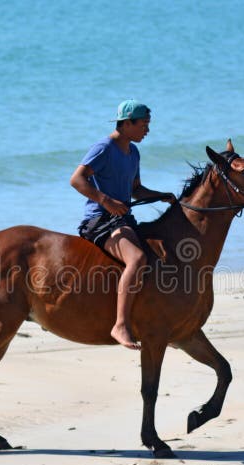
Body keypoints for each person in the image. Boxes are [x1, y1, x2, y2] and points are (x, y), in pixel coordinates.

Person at [70, 100, 175, 350]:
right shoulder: (104, 148)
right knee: (137, 259)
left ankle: (154, 321)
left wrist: (160, 196)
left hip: (123, 219)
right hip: (101, 221)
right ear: (127, 123)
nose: (147, 130)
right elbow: (77, 180)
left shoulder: (134, 152)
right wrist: (105, 201)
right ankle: (120, 325)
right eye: (144, 125)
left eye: (148, 125)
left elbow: (136, 190)